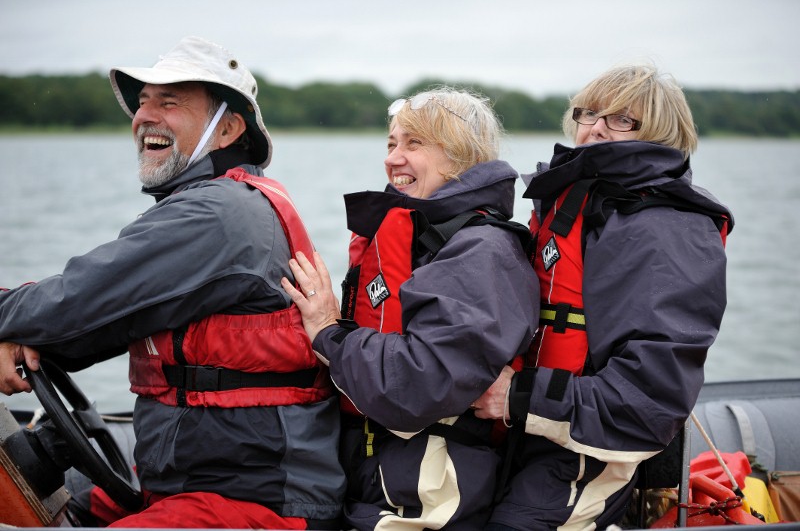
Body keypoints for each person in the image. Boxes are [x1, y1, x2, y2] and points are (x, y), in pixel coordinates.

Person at [0, 36, 345, 529]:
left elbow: (77, 299)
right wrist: (20, 341)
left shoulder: (220, 214)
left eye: (170, 102)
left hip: (259, 502)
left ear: (227, 129)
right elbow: (96, 323)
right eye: (142, 102)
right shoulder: (214, 206)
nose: (146, 116)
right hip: (190, 481)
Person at [472, 64, 734, 529]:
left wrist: (518, 396)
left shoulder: (664, 227)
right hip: (525, 428)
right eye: (589, 113)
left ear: (659, 132)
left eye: (620, 119)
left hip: (588, 452)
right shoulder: (576, 200)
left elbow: (650, 398)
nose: (594, 128)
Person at [281, 87, 540, 529]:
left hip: (428, 489)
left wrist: (327, 330)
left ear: (460, 156)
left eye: (413, 144)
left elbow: (418, 385)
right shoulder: (420, 233)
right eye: (391, 143)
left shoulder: (481, 250)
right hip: (379, 471)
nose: (393, 158)